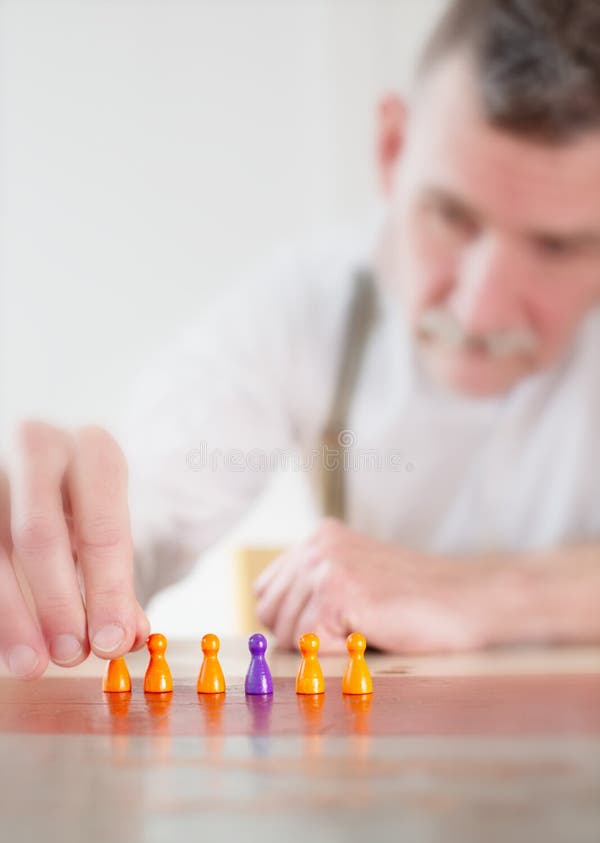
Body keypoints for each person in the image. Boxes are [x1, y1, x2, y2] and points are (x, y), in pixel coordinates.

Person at [2, 0, 600, 679]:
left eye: (557, 247)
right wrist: (56, 546)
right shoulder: (307, 304)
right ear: (392, 149)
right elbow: (147, 505)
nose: (481, 309)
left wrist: (482, 597)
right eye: (450, 215)